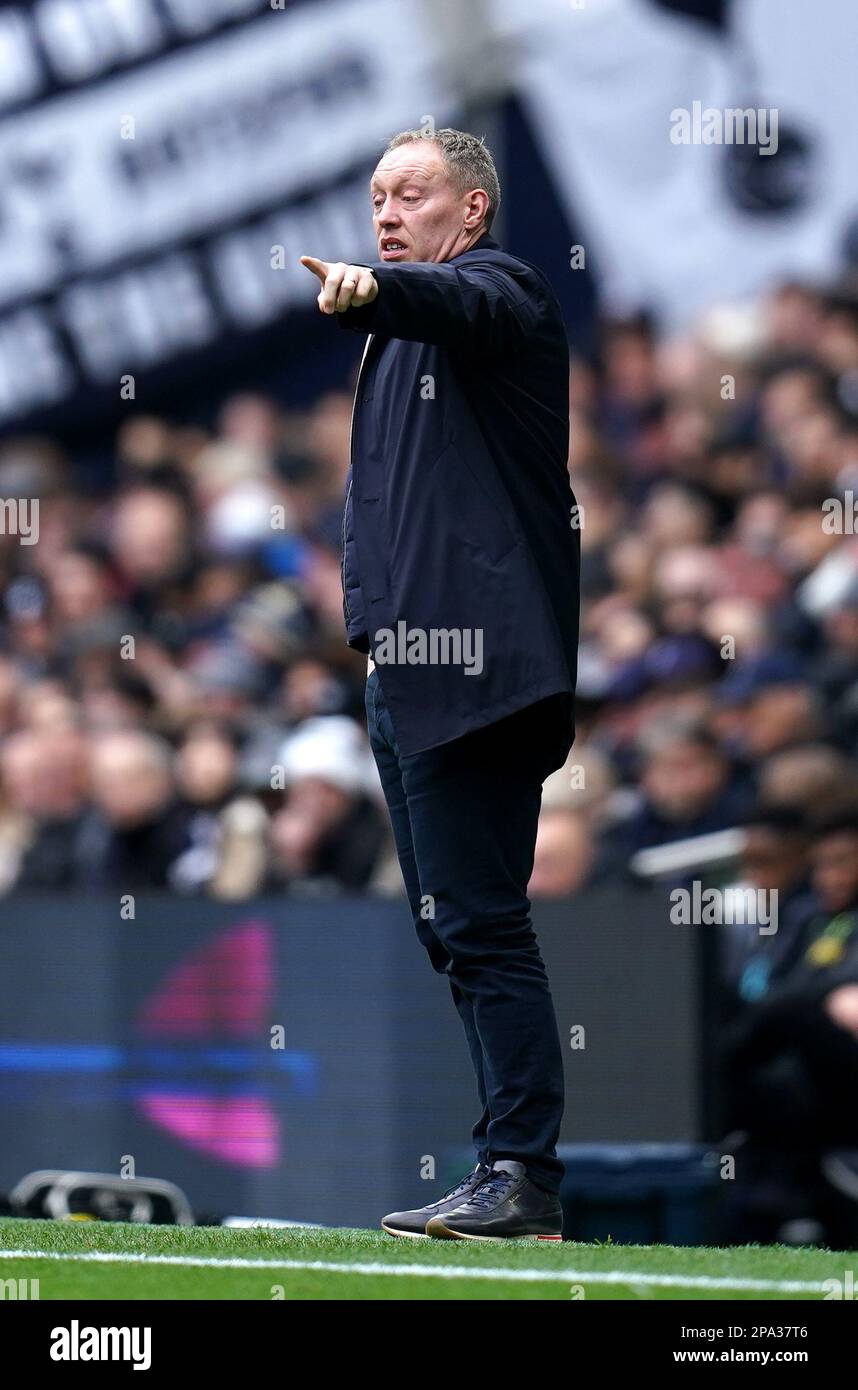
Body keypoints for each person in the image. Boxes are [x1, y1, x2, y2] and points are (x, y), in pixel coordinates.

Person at [301, 128, 579, 1239]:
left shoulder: (498, 290)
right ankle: (504, 1169)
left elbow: (460, 307)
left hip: (478, 667)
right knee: (450, 923)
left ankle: (524, 1173)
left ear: (470, 211)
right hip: (406, 670)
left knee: (482, 921)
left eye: (409, 194)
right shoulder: (399, 340)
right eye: (374, 198)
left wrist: (376, 294)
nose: (385, 212)